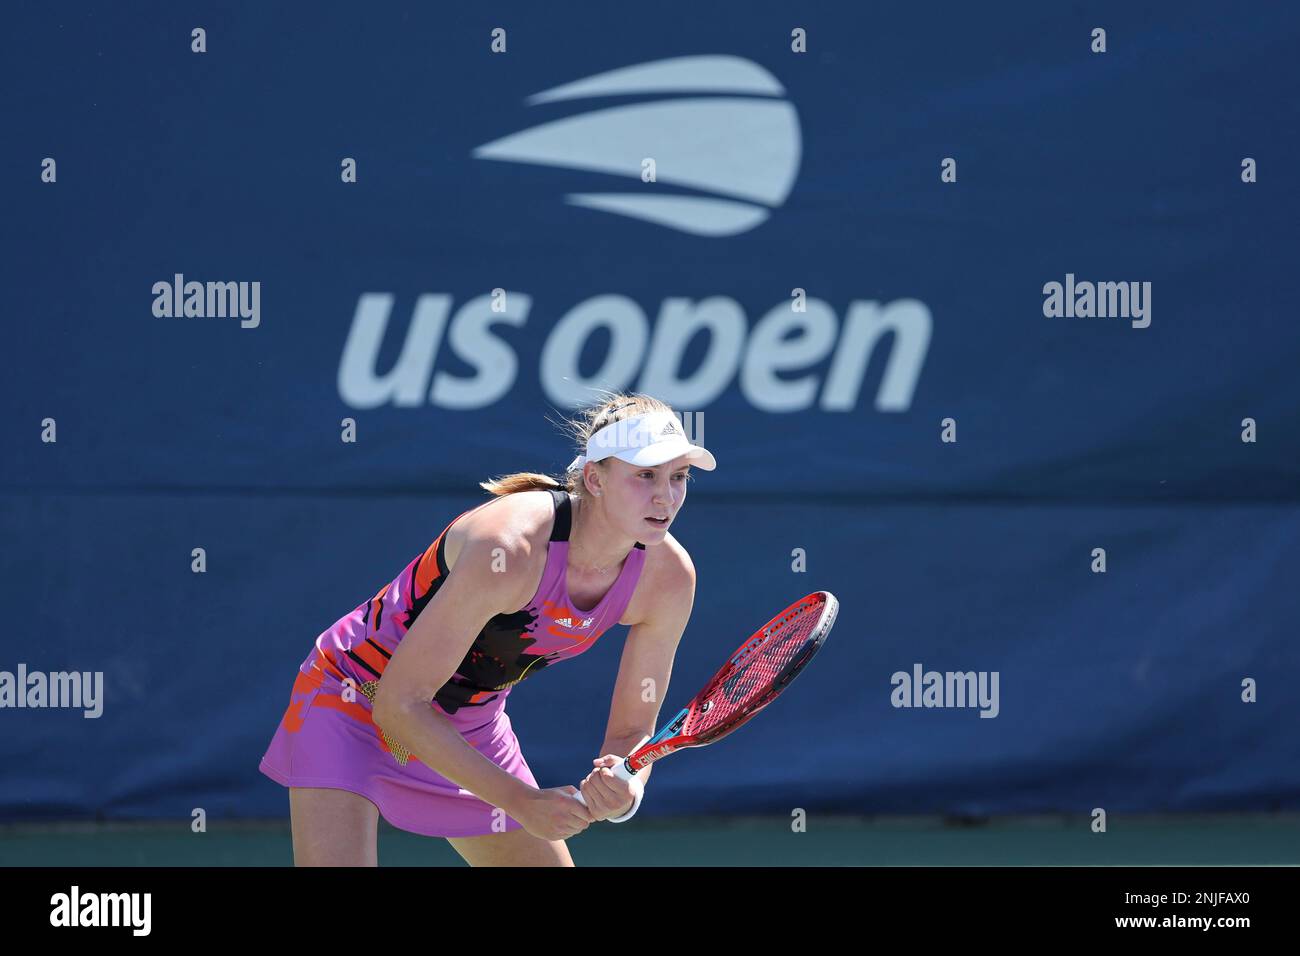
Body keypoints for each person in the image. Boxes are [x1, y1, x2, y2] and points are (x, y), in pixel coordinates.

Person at [258, 392, 716, 866]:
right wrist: (521, 801)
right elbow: (399, 704)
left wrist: (625, 786)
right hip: (353, 696)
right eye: (645, 475)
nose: (666, 496)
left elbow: (632, 730)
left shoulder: (668, 579)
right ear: (595, 479)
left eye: (679, 476)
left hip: (468, 722)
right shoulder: (510, 549)